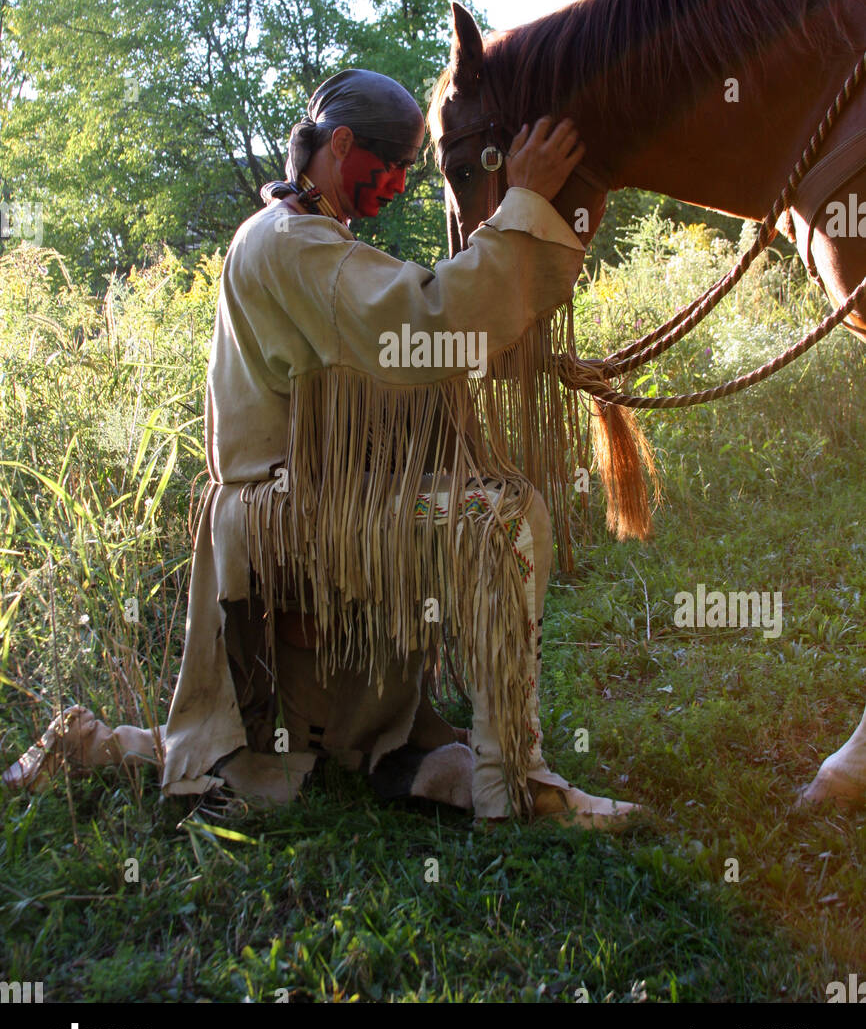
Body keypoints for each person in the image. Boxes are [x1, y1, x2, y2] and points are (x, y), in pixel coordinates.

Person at [4, 69, 638, 830]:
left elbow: (385, 356)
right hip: (284, 512)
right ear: (340, 145)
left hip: (293, 505)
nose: (400, 184)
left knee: (272, 744)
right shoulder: (290, 242)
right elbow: (421, 322)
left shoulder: (308, 239)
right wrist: (526, 201)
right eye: (392, 165)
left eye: (409, 168)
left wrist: (524, 350)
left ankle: (94, 746)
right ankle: (518, 788)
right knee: (501, 518)